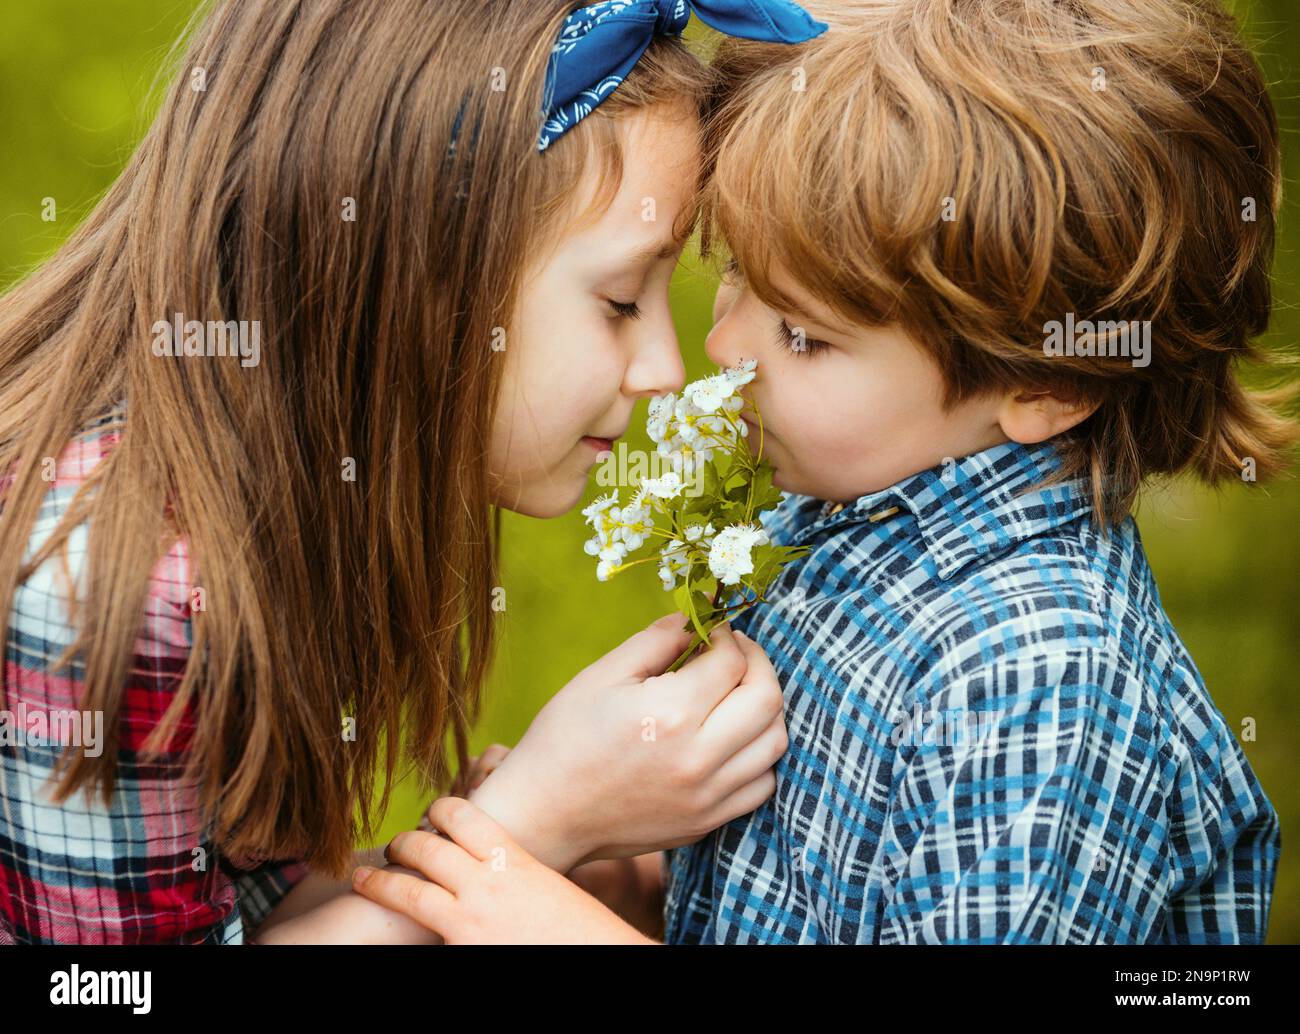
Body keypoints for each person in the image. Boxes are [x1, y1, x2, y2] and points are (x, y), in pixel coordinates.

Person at [357, 0, 1290, 943]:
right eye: (735, 278)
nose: (721, 346)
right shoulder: (842, 519)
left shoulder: (1038, 683)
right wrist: (646, 879)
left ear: (1042, 381)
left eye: (802, 335)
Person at [0, 0, 824, 944]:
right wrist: (537, 821)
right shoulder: (114, 584)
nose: (666, 369)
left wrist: (514, 849)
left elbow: (239, 907)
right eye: (619, 298)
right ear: (425, 280)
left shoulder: (273, 497)